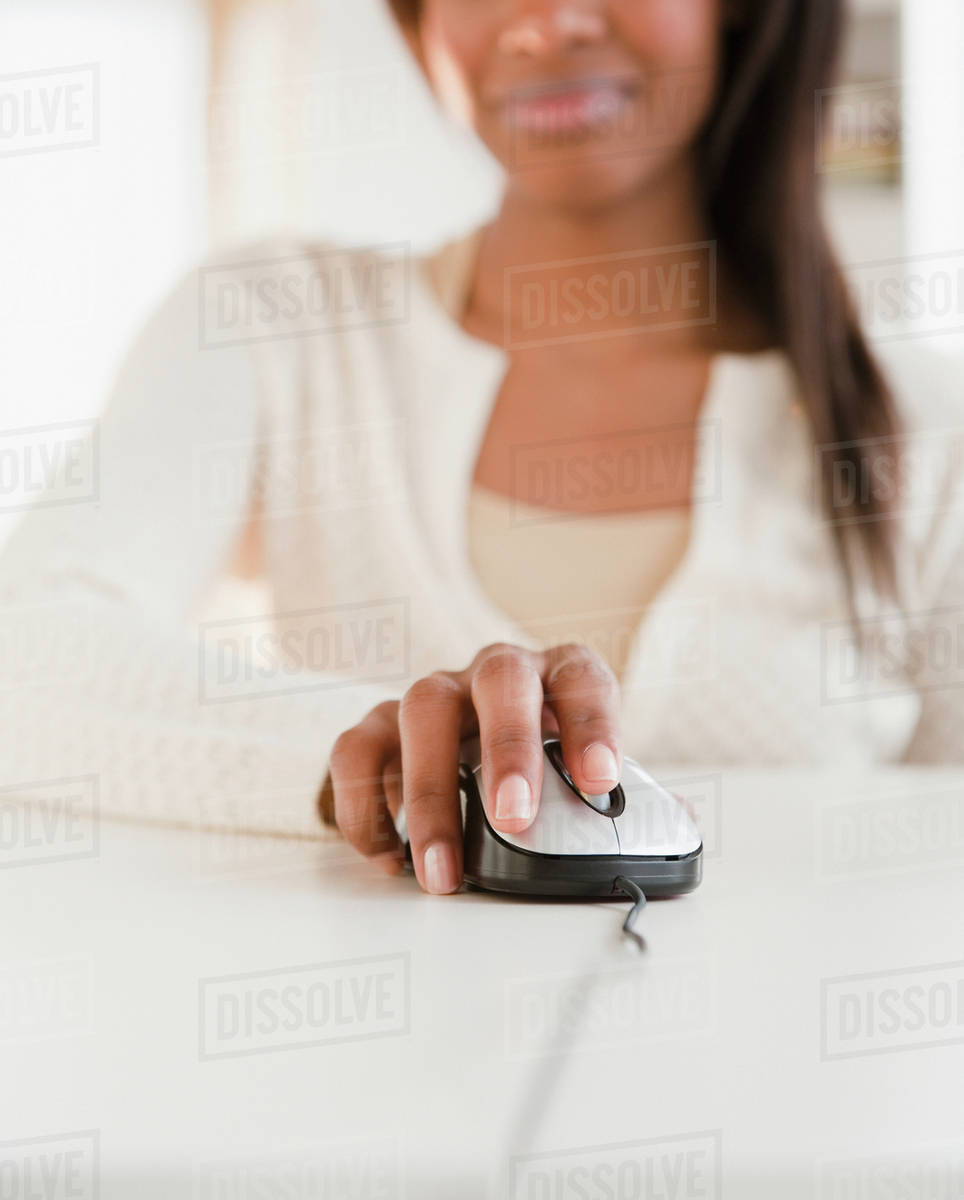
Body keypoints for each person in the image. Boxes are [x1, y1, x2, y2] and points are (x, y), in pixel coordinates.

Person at [1, 0, 961, 895]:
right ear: (418, 26)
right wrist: (361, 755)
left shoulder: (925, 431)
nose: (548, 24)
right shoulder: (272, 325)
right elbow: (25, 653)